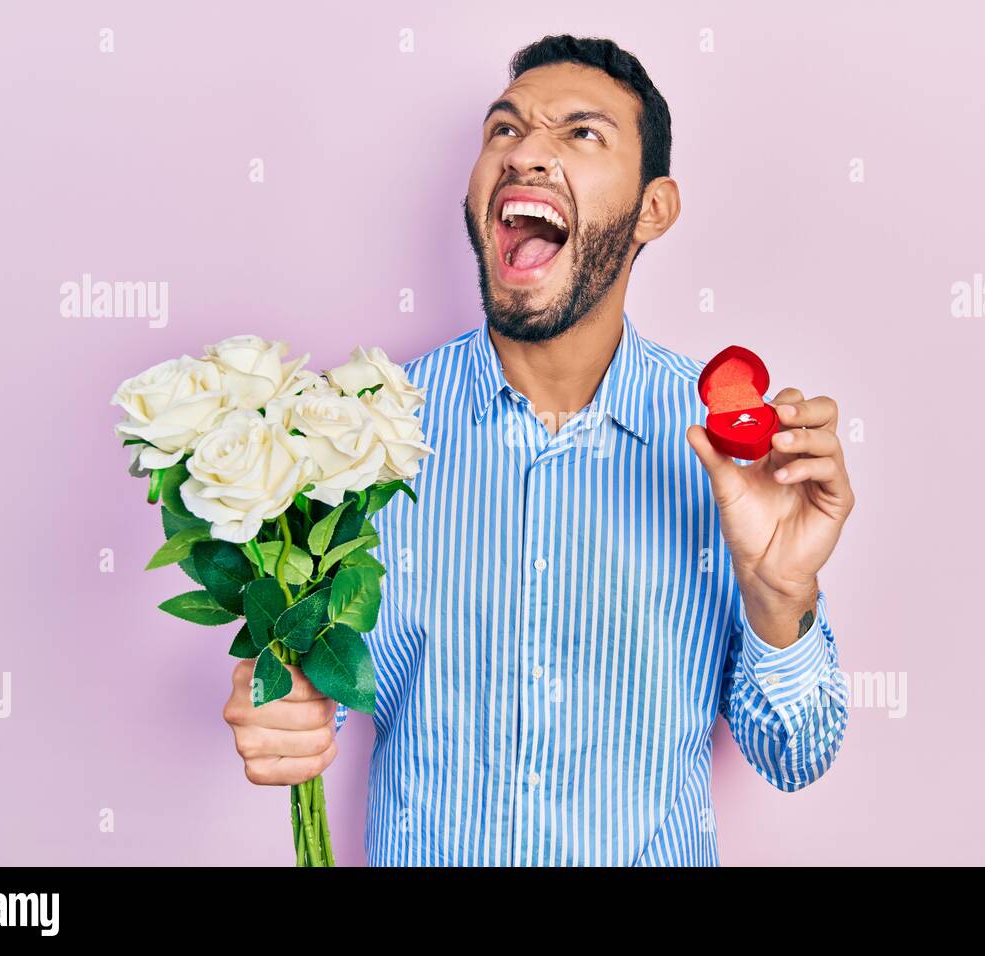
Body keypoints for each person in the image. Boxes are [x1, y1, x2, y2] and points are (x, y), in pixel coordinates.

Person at [223, 33, 856, 866]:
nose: (526, 154)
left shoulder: (737, 461)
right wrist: (282, 706)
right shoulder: (363, 433)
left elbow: (795, 756)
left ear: (653, 209)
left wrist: (782, 596)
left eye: (582, 133)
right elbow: (312, 689)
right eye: (504, 131)